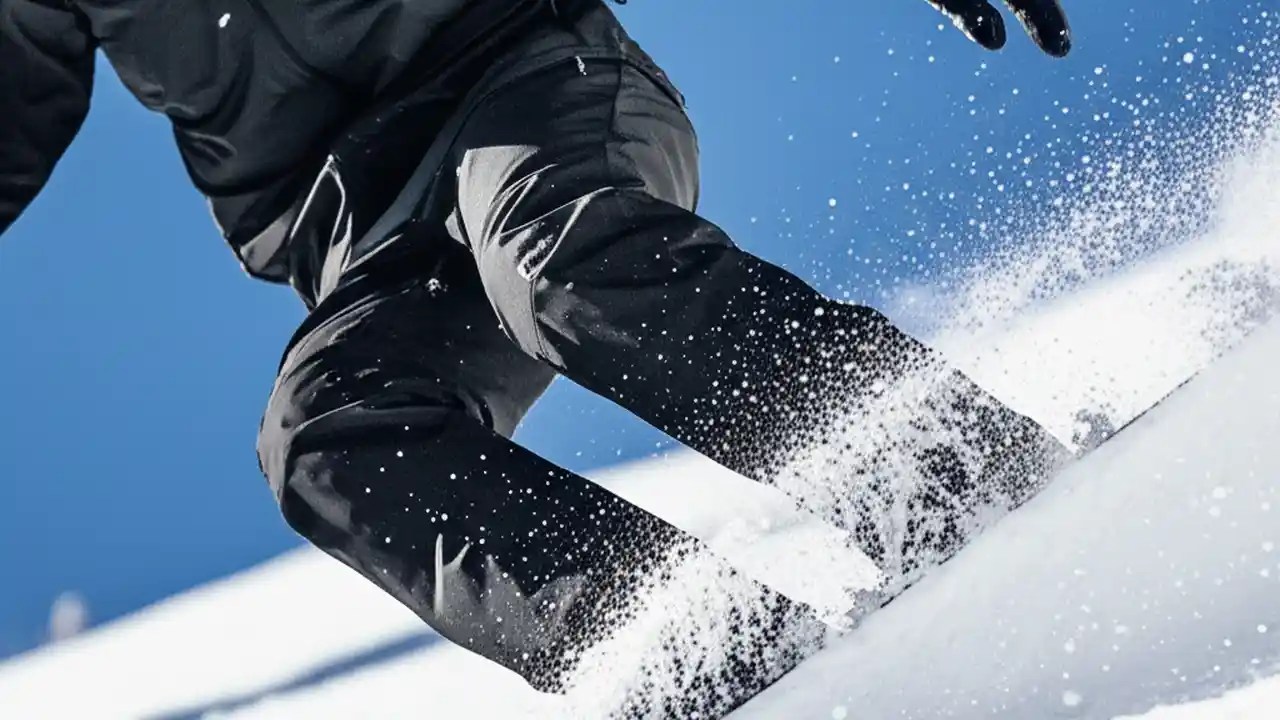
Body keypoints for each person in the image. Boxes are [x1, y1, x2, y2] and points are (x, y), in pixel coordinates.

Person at [1, 0, 1072, 705]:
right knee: (325, 437)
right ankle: (717, 654)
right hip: (360, 229)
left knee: (559, 264)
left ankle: (940, 465)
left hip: (530, 77)